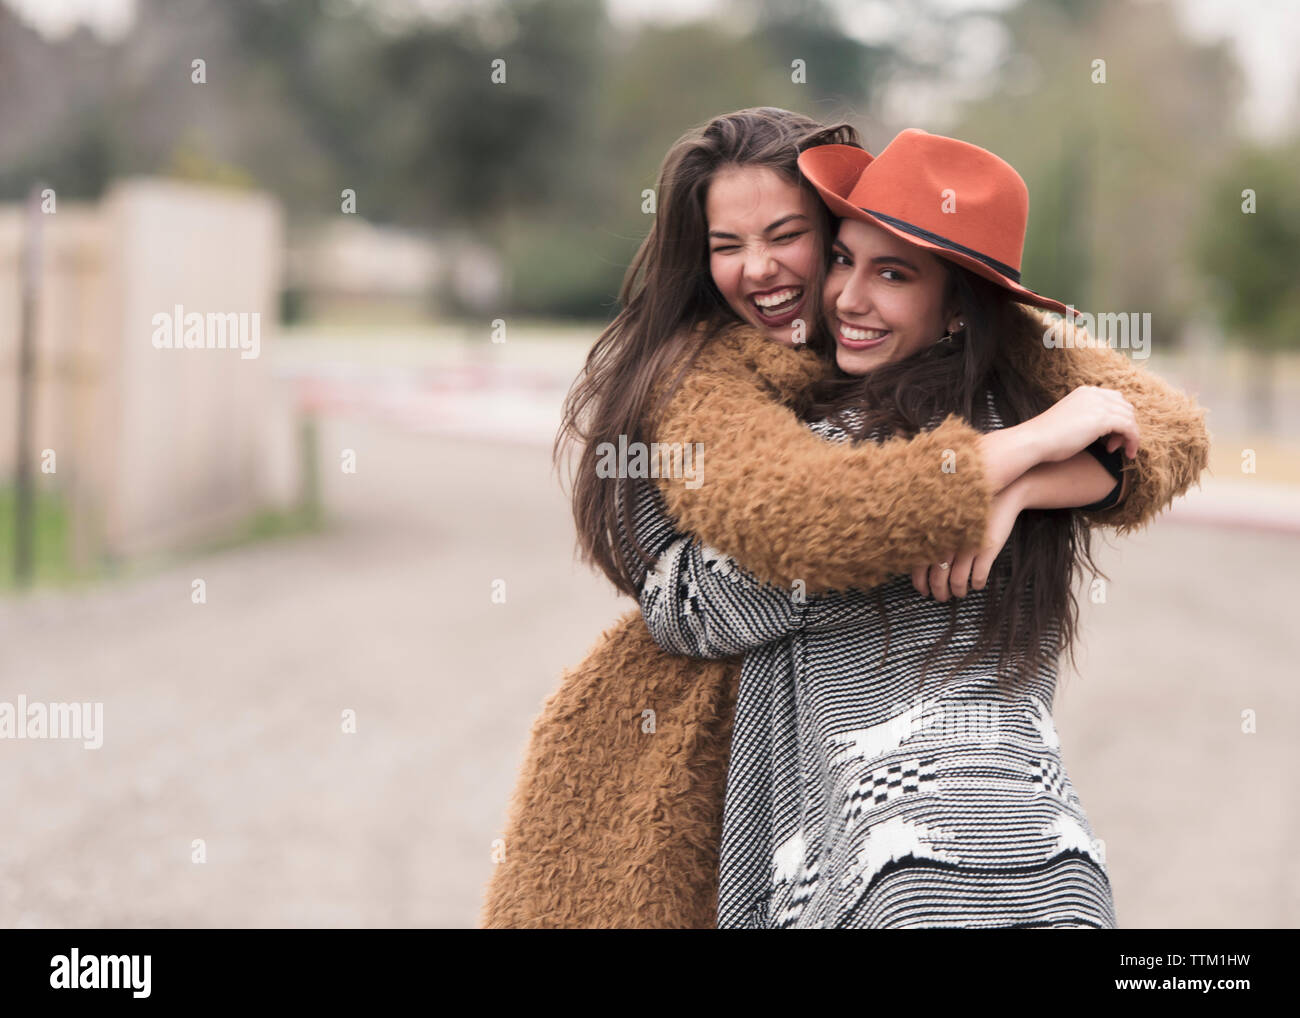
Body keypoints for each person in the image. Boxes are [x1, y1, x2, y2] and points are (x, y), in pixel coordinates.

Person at [479, 110, 1210, 928]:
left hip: (892, 867)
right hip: (1051, 864)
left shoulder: (921, 415)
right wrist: (1016, 465)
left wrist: (1016, 488)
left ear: (960, 304)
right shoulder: (1017, 410)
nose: (769, 272)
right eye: (728, 245)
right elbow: (811, 514)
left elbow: (698, 601)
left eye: (792, 237)